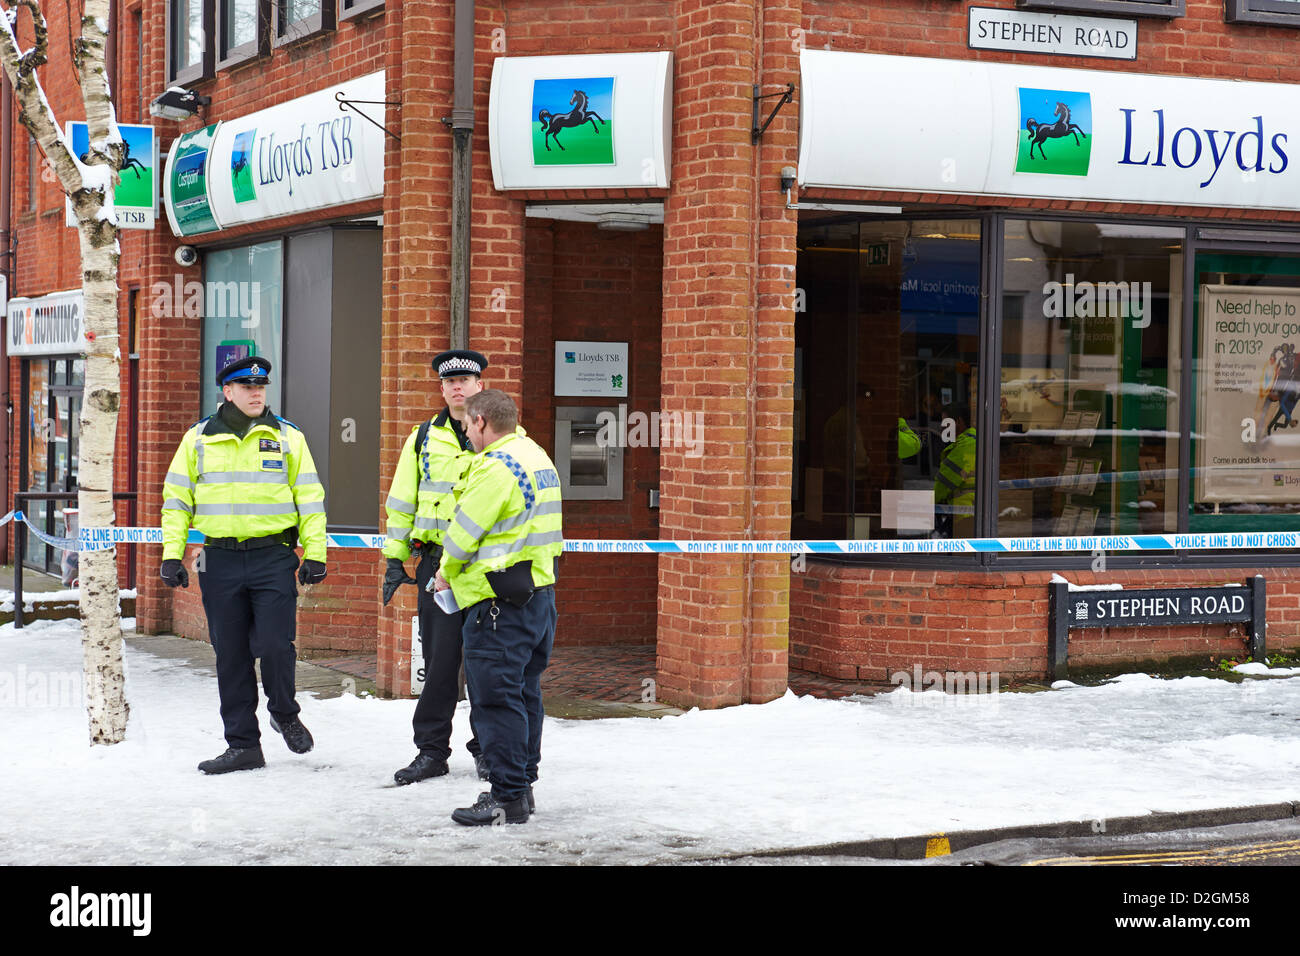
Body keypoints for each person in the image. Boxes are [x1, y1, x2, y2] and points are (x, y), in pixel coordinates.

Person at [160, 356, 328, 774]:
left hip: (273, 557)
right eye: (247, 388)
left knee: (275, 645)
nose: (256, 394)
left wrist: (317, 553)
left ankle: (284, 712)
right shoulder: (198, 438)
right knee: (230, 656)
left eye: (261, 388)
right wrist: (171, 555)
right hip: (219, 559)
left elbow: (310, 499)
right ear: (227, 392)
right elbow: (177, 502)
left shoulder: (288, 437)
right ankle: (242, 745)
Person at [433, 389, 563, 825]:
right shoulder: (537, 456)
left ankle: (506, 796)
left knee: (496, 701)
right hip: (538, 598)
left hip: (498, 608)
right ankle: (522, 787)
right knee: (525, 694)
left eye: (469, 425)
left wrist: (445, 571)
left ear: (483, 421)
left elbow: (464, 533)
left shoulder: (494, 467)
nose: (467, 433)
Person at [383, 349, 490, 785]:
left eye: (466, 379)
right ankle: (431, 751)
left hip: (486, 568)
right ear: (442, 388)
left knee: (487, 663)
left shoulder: (503, 433)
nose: (458, 387)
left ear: (480, 385)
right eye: (450, 382)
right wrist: (394, 557)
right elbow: (401, 501)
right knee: (439, 662)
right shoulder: (422, 437)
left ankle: (489, 749)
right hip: (434, 566)